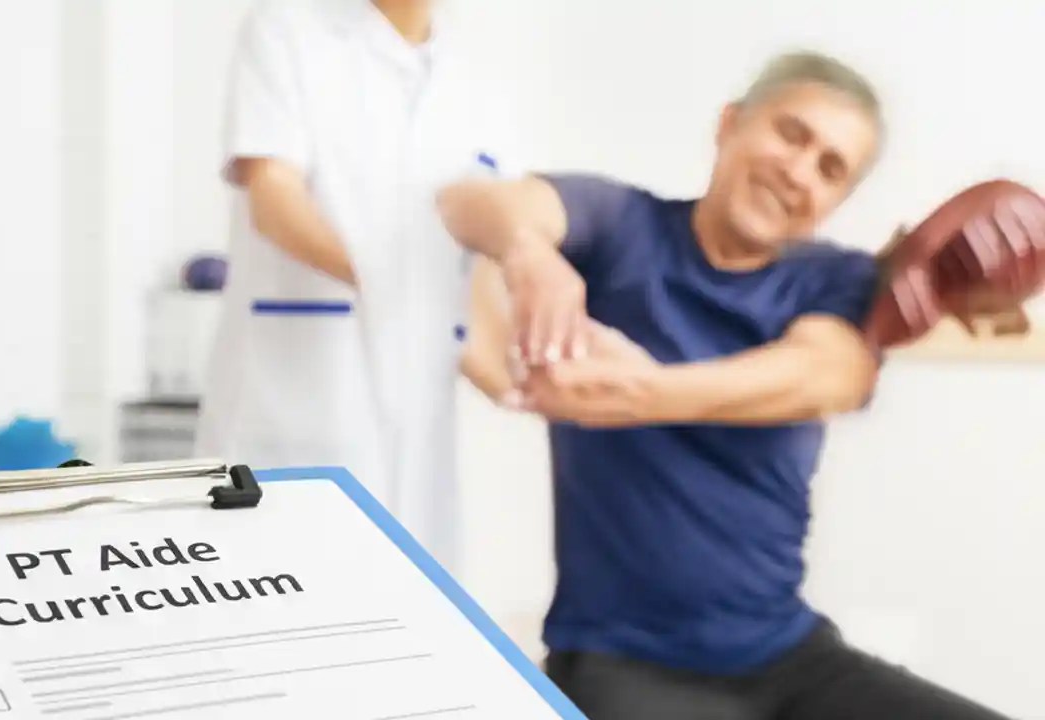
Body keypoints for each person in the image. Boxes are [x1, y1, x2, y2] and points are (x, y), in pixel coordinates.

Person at [439, 51, 1015, 719]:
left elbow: (826, 372)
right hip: (620, 662)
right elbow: (471, 202)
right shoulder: (622, 226)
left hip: (791, 656)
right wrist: (531, 254)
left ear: (838, 201)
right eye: (790, 133)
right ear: (730, 124)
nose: (799, 170)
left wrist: (642, 394)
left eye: (831, 169)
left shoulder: (834, 280)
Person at [197, 0, 518, 574]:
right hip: (300, 405)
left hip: (420, 427)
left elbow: (478, 263)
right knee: (281, 607)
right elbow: (274, 201)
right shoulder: (285, 32)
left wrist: (521, 378)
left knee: (411, 609)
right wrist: (398, 284)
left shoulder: (475, 71)